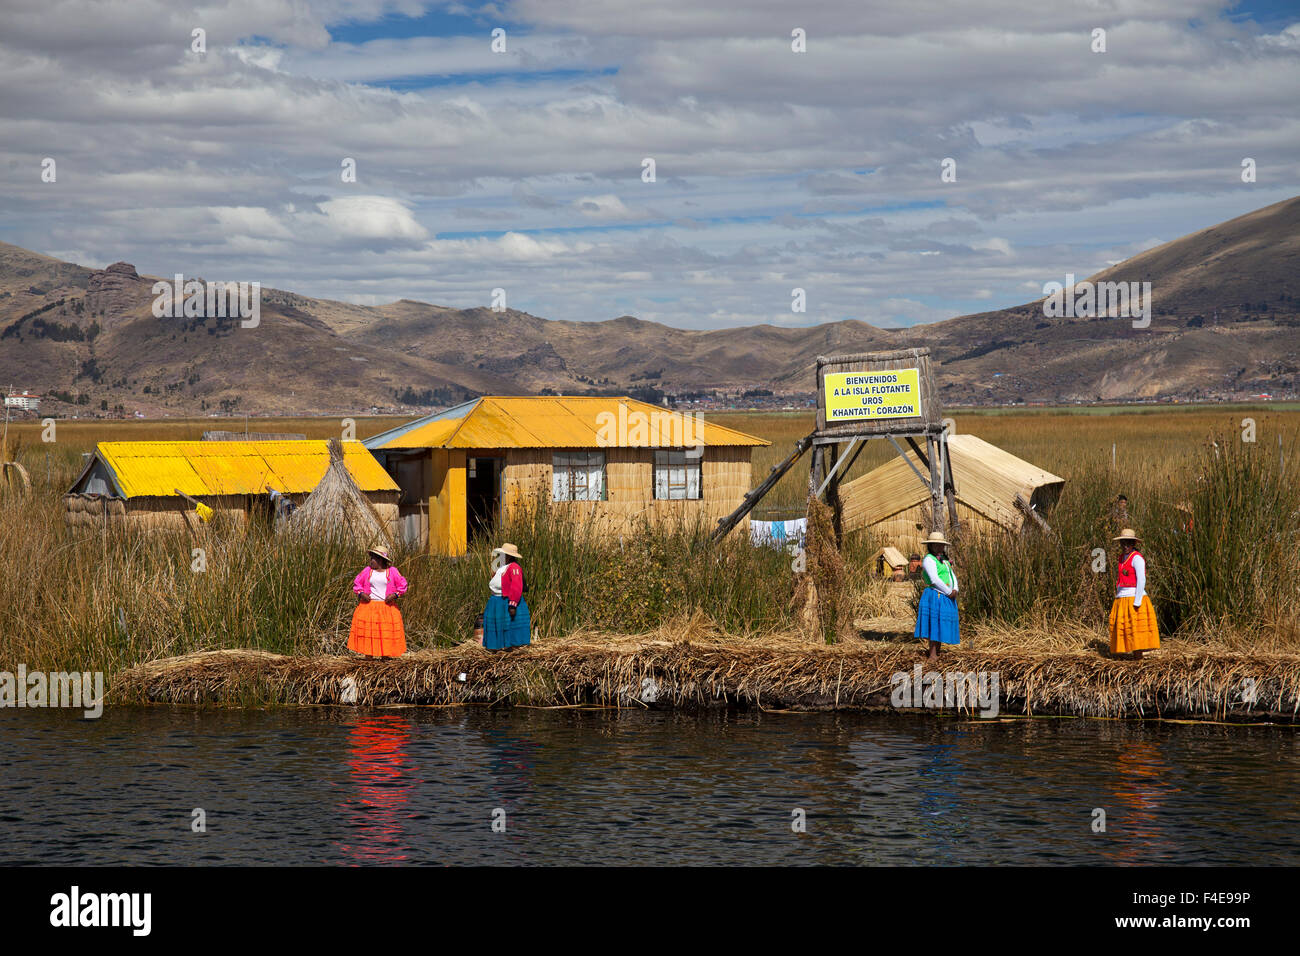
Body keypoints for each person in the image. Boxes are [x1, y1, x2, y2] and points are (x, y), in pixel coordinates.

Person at [348, 546, 407, 658]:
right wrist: (361, 594)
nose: (371, 561)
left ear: (380, 559)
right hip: (369, 607)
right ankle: (368, 659)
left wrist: (395, 595)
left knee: (385, 634)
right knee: (369, 633)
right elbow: (357, 583)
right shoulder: (367, 571)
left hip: (386, 608)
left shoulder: (392, 572)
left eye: (373, 558)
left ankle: (385, 659)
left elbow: (402, 586)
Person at [1109, 529, 1159, 659]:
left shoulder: (1136, 558)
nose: (1125, 546)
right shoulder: (1121, 558)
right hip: (1123, 597)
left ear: (1133, 544)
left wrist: (1137, 601)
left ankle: (1138, 658)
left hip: (1134, 597)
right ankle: (1131, 655)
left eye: (1128, 543)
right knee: (1126, 628)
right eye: (1123, 543)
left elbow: (1141, 579)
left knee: (1136, 629)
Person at [915, 531, 959, 660]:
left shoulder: (944, 560)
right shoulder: (929, 559)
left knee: (941, 623)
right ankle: (933, 655)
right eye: (937, 545)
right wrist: (948, 591)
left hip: (946, 595)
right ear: (931, 545)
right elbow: (934, 579)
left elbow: (952, 575)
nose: (940, 547)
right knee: (934, 623)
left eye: (941, 545)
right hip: (935, 594)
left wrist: (955, 589)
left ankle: (938, 652)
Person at [483, 542, 531, 651]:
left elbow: (516, 586)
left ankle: (510, 647)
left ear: (509, 556)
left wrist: (512, 604)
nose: (501, 556)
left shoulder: (514, 567)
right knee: (497, 625)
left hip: (505, 601)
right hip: (496, 601)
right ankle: (497, 646)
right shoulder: (502, 567)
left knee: (509, 625)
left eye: (503, 554)